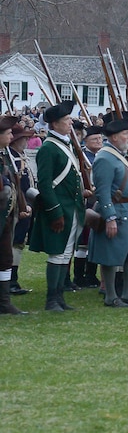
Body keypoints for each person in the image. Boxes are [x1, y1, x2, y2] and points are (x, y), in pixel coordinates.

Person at [29, 101, 89, 312]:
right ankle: (51, 299)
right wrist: (55, 211)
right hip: (59, 209)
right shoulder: (48, 148)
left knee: (66, 253)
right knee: (57, 254)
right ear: (54, 124)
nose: (70, 122)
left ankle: (60, 296)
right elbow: (45, 182)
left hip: (71, 207)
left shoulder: (65, 144)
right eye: (66, 120)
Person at [89, 112, 128, 308]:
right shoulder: (105, 158)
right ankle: (111, 296)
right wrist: (110, 218)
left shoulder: (118, 156)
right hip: (116, 211)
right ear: (114, 137)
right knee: (110, 254)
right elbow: (103, 192)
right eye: (126, 134)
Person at [0, 117, 30, 314]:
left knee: (5, 259)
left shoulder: (4, 158)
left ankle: (4, 302)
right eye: (8, 133)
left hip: (6, 217)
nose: (12, 136)